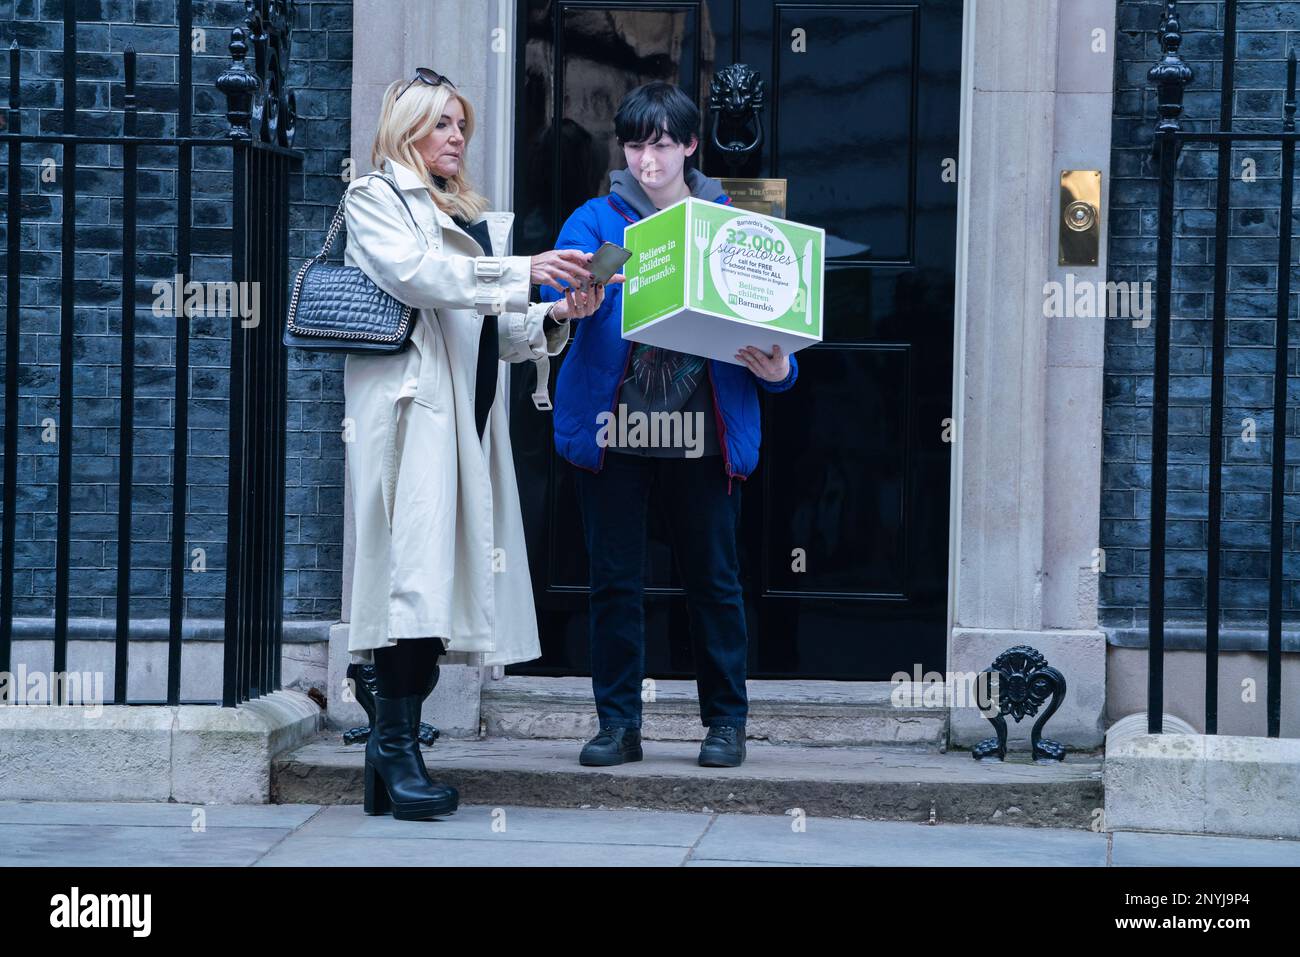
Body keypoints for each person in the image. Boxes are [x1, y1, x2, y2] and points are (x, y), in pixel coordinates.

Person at [341, 68, 619, 820]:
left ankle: (393, 749)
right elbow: (419, 276)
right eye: (441, 124)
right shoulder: (375, 199)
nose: (457, 137)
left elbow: (488, 328)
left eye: (462, 125)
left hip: (467, 425)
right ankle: (394, 749)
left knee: (441, 591)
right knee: (415, 588)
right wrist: (522, 269)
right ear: (407, 132)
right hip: (415, 418)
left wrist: (557, 311)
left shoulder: (468, 214)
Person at [540, 81, 799, 769]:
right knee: (615, 583)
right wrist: (571, 304)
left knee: (714, 581)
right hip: (614, 431)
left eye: (660, 143)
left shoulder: (735, 221)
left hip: (705, 431)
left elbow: (781, 324)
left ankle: (725, 724)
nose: (647, 159)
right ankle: (618, 724)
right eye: (634, 144)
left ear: (689, 144)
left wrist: (780, 373)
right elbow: (552, 301)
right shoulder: (599, 222)